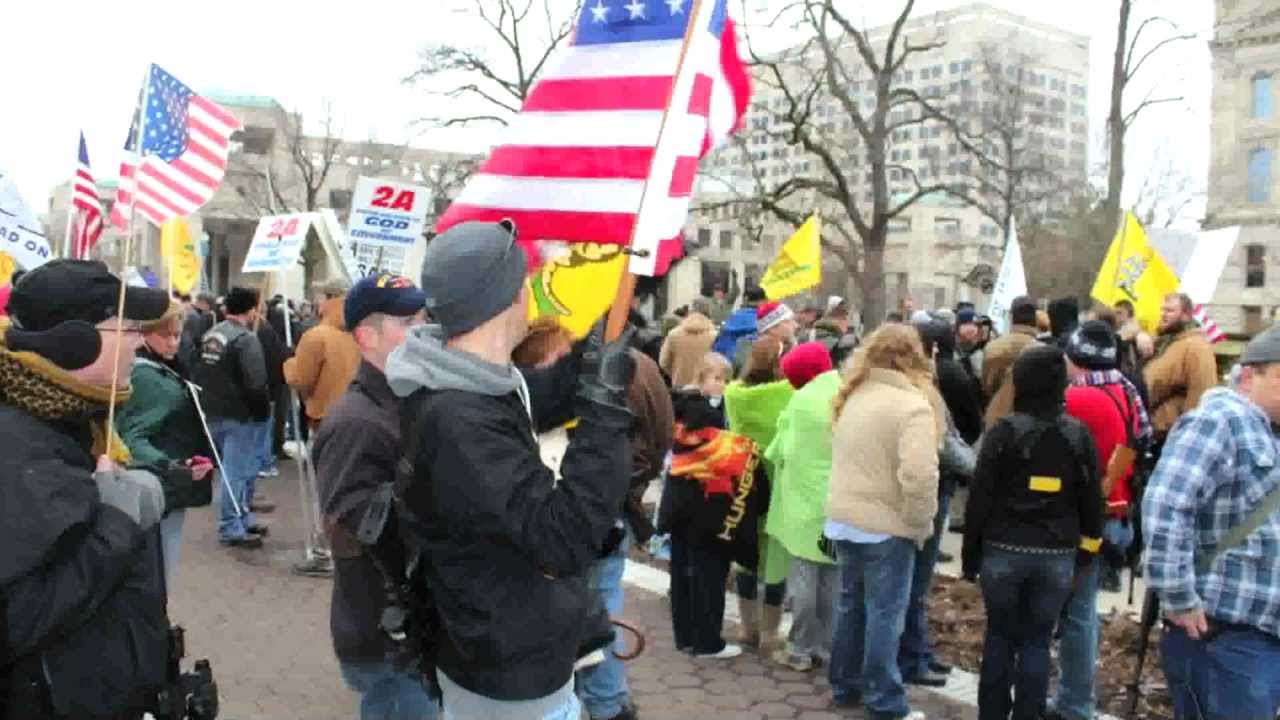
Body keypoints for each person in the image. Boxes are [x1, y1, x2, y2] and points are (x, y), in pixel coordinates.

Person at [386, 220, 636, 718]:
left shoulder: (463, 381)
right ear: (508, 295)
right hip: (508, 671)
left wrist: (591, 354)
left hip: (499, 644)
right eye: (526, 279)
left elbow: (525, 397)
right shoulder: (460, 419)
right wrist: (604, 410)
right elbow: (564, 538)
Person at [0, 259, 172, 719]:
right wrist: (115, 523)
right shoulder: (21, 447)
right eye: (129, 327)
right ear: (75, 341)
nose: (141, 341)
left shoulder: (76, 423)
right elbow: (17, 619)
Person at [310, 273, 438, 720]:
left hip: (410, 629)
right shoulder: (357, 421)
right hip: (388, 638)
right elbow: (359, 531)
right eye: (406, 323)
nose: (420, 331)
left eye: (422, 319)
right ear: (367, 336)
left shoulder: (405, 400)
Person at [1142, 326, 1280, 719]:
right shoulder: (1221, 420)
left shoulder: (1267, 430)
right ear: (1250, 375)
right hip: (1223, 636)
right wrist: (1179, 597)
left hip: (1253, 636)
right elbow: (1166, 505)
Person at [963, 345, 1104, 720]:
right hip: (1056, 556)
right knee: (1037, 643)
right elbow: (1093, 501)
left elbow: (979, 499)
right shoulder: (1077, 435)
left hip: (1003, 551)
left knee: (999, 638)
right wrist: (1088, 551)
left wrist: (970, 556)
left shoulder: (1003, 432)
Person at [825, 324, 939, 720]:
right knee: (884, 614)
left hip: (845, 517)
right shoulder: (913, 406)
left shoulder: (853, 395)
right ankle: (884, 700)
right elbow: (921, 476)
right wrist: (919, 522)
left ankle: (844, 683)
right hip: (886, 525)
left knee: (852, 607)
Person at [1044, 322, 1152, 720]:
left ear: (1076, 360)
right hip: (1115, 512)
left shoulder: (1077, 399)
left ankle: (1074, 703)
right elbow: (1143, 440)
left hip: (1080, 519)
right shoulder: (1127, 390)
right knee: (1081, 610)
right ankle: (1075, 699)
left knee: (1073, 615)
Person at [580, 342, 673, 720]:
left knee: (597, 609)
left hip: (600, 512)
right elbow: (659, 436)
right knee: (602, 607)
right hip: (606, 511)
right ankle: (607, 703)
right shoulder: (638, 364)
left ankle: (604, 701)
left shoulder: (626, 367)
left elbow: (657, 438)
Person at [660, 355, 754, 660]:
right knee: (708, 574)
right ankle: (708, 641)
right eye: (716, 378)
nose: (722, 385)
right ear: (700, 379)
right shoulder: (703, 414)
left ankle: (687, 636)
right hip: (705, 506)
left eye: (725, 379)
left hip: (682, 506)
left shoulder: (682, 407)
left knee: (685, 573)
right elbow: (723, 457)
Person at [116, 303, 215, 585]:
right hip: (161, 484)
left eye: (177, 334)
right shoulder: (149, 376)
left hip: (165, 481)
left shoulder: (154, 369)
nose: (173, 342)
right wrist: (171, 466)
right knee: (159, 568)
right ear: (145, 334)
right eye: (165, 335)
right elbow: (133, 437)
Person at [764, 345, 838, 672]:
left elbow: (781, 449)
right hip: (838, 499)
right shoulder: (847, 391)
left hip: (804, 502)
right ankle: (828, 646)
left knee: (805, 577)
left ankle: (800, 648)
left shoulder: (801, 400)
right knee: (833, 578)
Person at [724, 338, 796, 655]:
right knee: (776, 559)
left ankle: (747, 627)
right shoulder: (788, 394)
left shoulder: (733, 394)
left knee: (746, 554)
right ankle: (769, 632)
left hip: (744, 479)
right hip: (778, 482)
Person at [192, 286, 270, 549]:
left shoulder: (211, 335)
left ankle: (241, 519)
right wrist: (261, 412)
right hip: (240, 414)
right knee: (238, 473)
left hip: (214, 410)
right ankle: (231, 526)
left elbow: (198, 370)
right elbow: (256, 382)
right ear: (251, 310)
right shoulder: (245, 339)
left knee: (231, 471)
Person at [284, 278, 360, 431]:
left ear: (329, 299)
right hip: (359, 414)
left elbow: (301, 379)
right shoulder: (364, 333)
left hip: (326, 417)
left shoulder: (316, 336)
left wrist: (289, 364)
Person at [1143, 293, 1219, 444]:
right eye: (1162, 310)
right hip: (1155, 431)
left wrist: (1189, 435)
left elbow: (1201, 392)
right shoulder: (1166, 342)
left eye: (1170, 311)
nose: (1163, 315)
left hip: (1172, 436)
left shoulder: (1196, 346)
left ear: (1186, 315)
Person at [981, 296, 1041, 427]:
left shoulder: (993, 348)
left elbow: (986, 386)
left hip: (997, 417)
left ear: (1011, 316)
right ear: (1035, 318)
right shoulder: (1043, 351)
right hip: (1032, 422)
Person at [660, 297, 717, 388]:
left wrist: (676, 373)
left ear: (690, 312)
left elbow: (664, 362)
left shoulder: (674, 334)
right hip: (706, 387)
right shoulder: (715, 336)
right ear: (709, 313)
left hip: (680, 386)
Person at [712, 286, 765, 364]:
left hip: (733, 364)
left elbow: (718, 349)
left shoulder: (734, 319)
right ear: (763, 300)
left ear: (745, 299)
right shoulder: (770, 320)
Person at [805, 300, 860, 369]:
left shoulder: (835, 334)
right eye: (844, 318)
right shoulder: (820, 331)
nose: (847, 323)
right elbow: (828, 348)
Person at [178, 291, 216, 371]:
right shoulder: (194, 316)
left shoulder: (195, 314)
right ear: (204, 303)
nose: (209, 310)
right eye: (209, 306)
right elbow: (187, 341)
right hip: (188, 359)